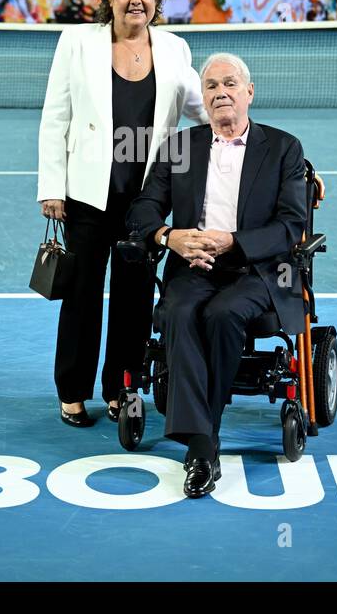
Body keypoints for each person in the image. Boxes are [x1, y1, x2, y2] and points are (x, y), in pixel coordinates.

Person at [38, 0, 209, 427]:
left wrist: (245, 131)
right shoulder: (76, 43)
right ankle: (72, 390)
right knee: (83, 296)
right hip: (89, 195)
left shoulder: (175, 48)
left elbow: (201, 108)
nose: (136, 0)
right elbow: (55, 118)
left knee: (135, 300)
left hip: (147, 200)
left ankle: (122, 388)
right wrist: (52, 186)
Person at [126, 53, 307, 497]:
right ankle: (206, 443)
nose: (220, 92)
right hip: (193, 264)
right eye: (210, 86)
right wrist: (171, 236)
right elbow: (144, 207)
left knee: (222, 315)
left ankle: (202, 441)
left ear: (249, 92)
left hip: (257, 271)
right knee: (178, 312)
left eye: (229, 83)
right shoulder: (181, 148)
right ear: (202, 98)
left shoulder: (284, 148)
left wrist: (233, 241)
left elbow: (290, 225)